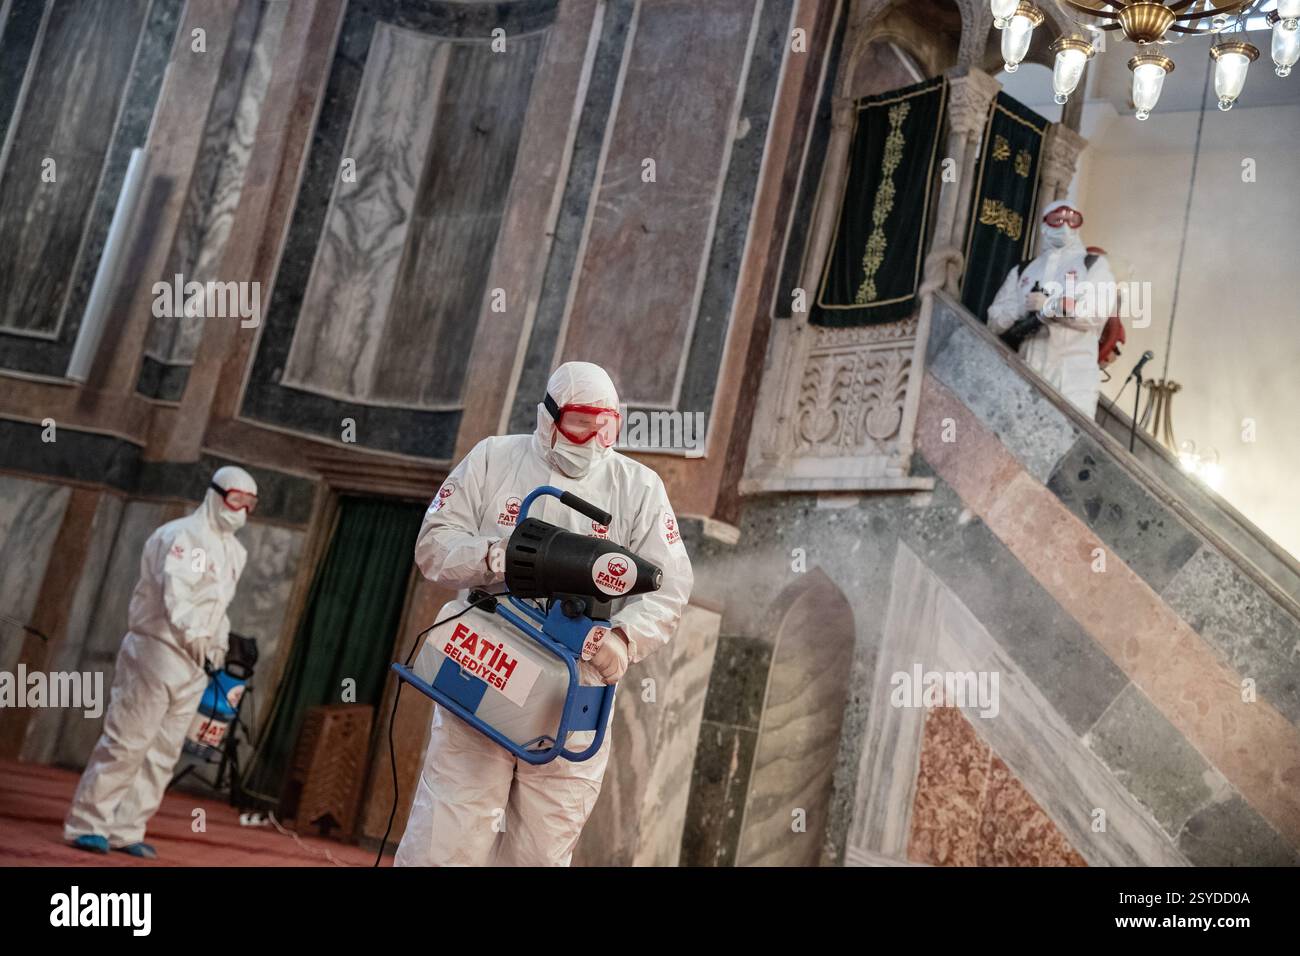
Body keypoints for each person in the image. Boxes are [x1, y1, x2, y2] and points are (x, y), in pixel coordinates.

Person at [395, 361, 694, 866]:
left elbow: (671, 586)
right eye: (581, 422)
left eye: (608, 425)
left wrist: (623, 637)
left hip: (575, 683)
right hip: (487, 659)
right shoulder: (493, 459)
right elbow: (432, 546)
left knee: (543, 846)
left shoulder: (638, 487)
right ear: (548, 417)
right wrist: (496, 555)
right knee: (449, 831)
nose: (595, 438)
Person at [64, 466, 258, 858]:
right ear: (215, 494)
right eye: (236, 499)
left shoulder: (235, 551)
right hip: (158, 650)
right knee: (128, 740)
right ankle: (89, 822)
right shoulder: (181, 536)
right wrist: (193, 635)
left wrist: (216, 645)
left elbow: (219, 607)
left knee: (165, 750)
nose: (242, 510)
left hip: (195, 663)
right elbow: (177, 594)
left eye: (250, 504)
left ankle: (127, 828)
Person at [987, 199, 1117, 417]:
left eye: (1071, 220)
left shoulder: (1092, 265)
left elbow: (1096, 314)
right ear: (1045, 225)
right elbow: (994, 320)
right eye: (1057, 219)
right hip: (1028, 369)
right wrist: (1021, 309)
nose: (1065, 225)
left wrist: (1051, 307)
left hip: (1073, 378)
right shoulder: (1024, 271)